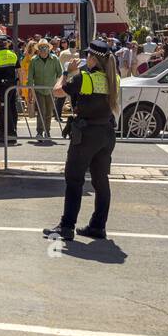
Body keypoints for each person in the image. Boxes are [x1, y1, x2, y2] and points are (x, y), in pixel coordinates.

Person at [46, 40, 119, 242]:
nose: (86, 58)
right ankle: (98, 226)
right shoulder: (114, 78)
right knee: (101, 181)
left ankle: (67, 226)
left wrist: (65, 72)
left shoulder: (83, 78)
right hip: (106, 133)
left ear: (94, 58)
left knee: (74, 180)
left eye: (89, 55)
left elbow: (57, 91)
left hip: (86, 135)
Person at [28, 40, 62, 143]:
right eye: (41, 47)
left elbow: (60, 73)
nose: (43, 49)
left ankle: (47, 131)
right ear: (38, 49)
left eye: (45, 47)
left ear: (49, 48)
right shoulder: (34, 60)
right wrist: (30, 90)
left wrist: (58, 86)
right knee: (41, 112)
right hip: (39, 90)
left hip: (51, 90)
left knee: (49, 112)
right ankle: (39, 132)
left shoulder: (55, 59)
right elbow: (30, 77)